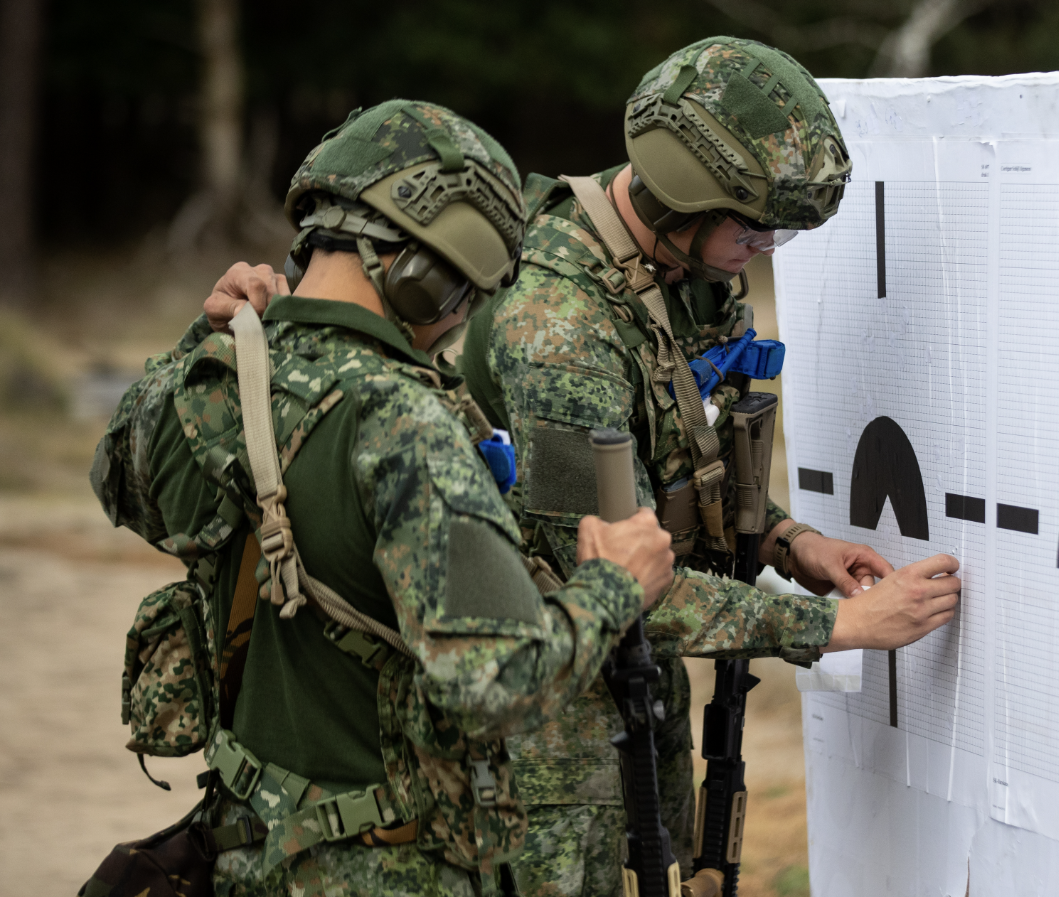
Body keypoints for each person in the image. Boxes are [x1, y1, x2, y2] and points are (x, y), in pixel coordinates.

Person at [201, 37, 962, 897]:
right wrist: (837, 630)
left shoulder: (675, 263)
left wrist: (792, 541)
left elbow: (680, 457)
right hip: (547, 735)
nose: (766, 247)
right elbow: (615, 572)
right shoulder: (559, 326)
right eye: (754, 228)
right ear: (687, 199)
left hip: (631, 685)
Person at [92, 100, 676, 896]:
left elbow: (116, 480)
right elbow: (495, 686)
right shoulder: (406, 424)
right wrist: (615, 586)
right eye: (467, 292)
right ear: (425, 271)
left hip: (243, 855)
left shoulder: (219, 372)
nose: (460, 320)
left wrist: (205, 336)